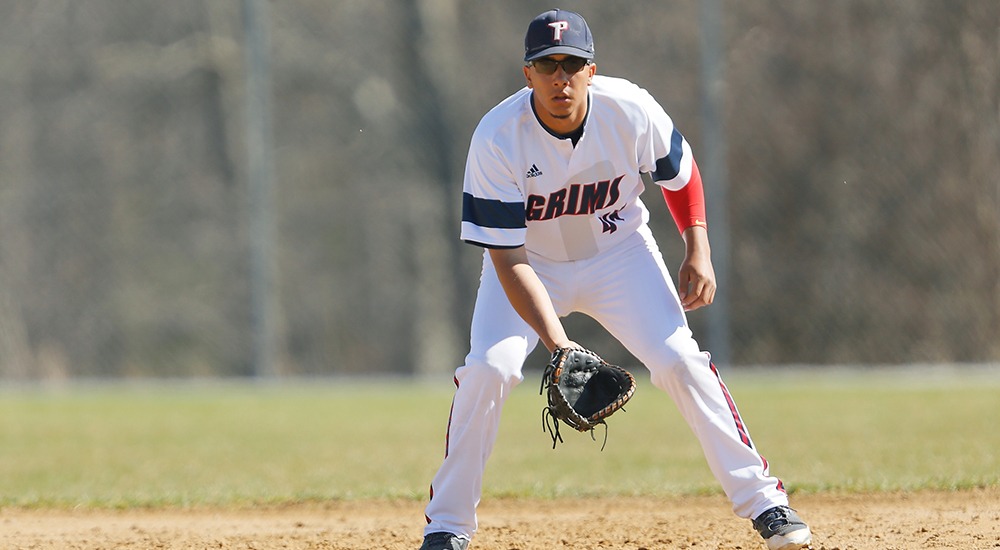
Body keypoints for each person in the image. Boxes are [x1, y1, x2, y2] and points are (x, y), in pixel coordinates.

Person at [420, 9, 812, 550]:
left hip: (619, 253)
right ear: (527, 74)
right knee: (489, 368)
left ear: (591, 69)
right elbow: (508, 259)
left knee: (680, 362)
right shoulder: (497, 138)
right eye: (547, 65)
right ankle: (447, 526)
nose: (561, 77)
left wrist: (697, 246)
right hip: (532, 267)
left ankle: (766, 502)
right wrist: (558, 346)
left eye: (572, 64)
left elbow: (680, 171)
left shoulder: (629, 108)